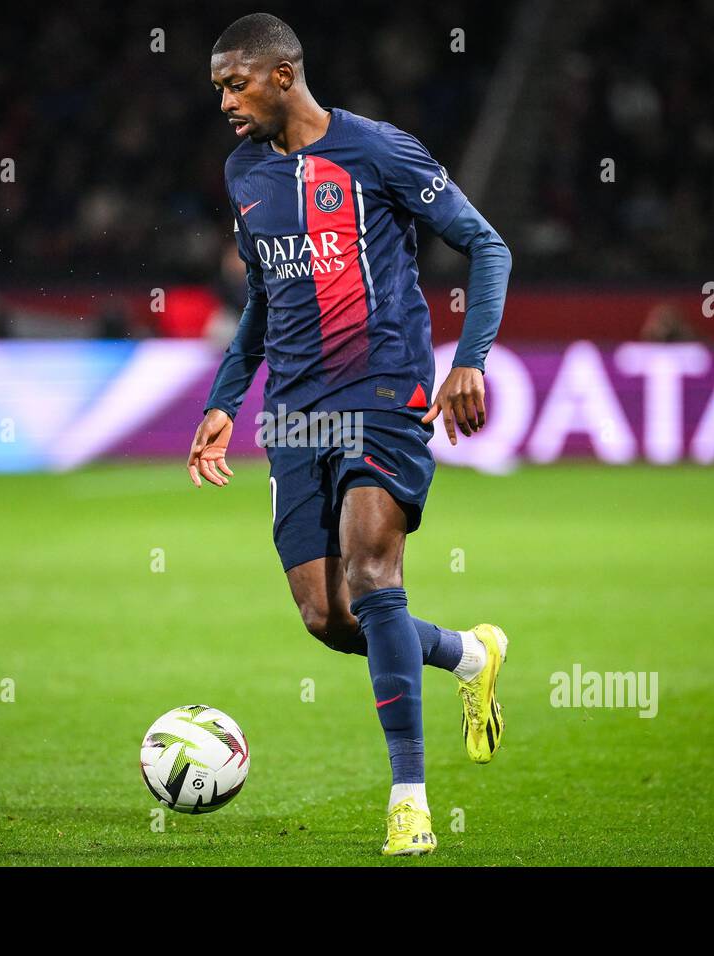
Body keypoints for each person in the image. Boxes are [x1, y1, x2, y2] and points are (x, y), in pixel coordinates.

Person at [187, 13, 512, 856]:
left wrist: (469, 360)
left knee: (372, 572)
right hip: (292, 414)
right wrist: (227, 398)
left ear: (283, 74)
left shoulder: (378, 151)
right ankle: (469, 657)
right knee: (327, 616)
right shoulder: (244, 173)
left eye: (235, 82)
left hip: (382, 393)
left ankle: (410, 800)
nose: (223, 99)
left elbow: (486, 246)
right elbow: (262, 297)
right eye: (218, 85)